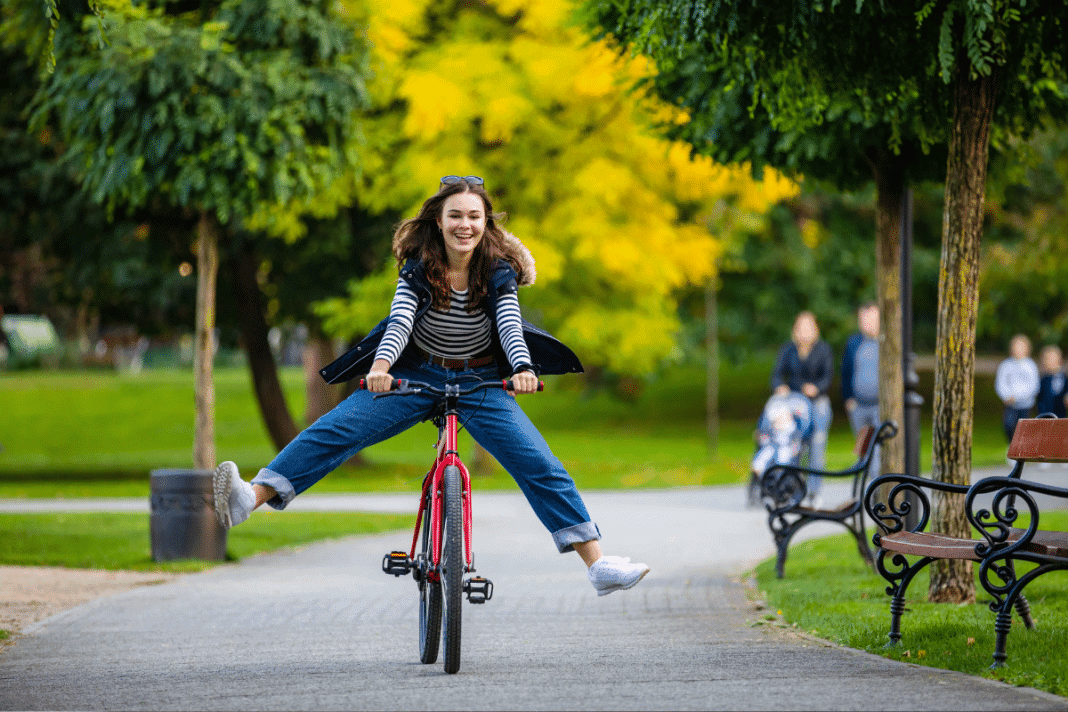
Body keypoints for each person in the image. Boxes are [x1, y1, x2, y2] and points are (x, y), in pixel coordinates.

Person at [212, 176, 649, 596]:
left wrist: (522, 367)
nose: (465, 225)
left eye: (475, 216)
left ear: (487, 223)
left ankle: (598, 567)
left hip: (481, 380)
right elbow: (401, 321)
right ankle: (250, 498)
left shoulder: (498, 270)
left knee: (539, 463)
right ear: (438, 222)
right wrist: (382, 367)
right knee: (337, 430)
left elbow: (509, 323)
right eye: (455, 215)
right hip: (416, 374)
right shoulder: (420, 269)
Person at [771, 311, 833, 504]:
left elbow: (828, 378)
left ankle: (815, 491)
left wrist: (815, 388)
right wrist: (780, 387)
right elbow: (777, 375)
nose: (804, 332)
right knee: (794, 446)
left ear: (815, 330)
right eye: (800, 327)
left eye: (808, 327)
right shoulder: (788, 350)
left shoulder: (823, 350)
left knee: (816, 446)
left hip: (817, 404)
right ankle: (794, 490)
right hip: (796, 404)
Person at [841, 301, 881, 474]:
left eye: (871, 320)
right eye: (863, 320)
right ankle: (868, 493)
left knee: (878, 450)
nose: (866, 324)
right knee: (863, 451)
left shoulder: (888, 342)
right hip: (859, 406)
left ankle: (877, 490)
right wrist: (848, 398)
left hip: (880, 406)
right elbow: (846, 371)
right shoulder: (854, 343)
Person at [751, 392, 813, 478]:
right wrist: (762, 437)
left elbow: (797, 440)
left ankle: (781, 475)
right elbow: (765, 437)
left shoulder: (793, 430)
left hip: (786, 448)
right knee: (764, 455)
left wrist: (796, 447)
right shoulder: (772, 430)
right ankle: (760, 473)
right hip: (772, 446)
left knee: (783, 457)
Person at [995, 334, 1040, 446]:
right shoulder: (1006, 365)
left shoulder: (1030, 366)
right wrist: (1006, 396)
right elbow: (1000, 384)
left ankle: (1021, 451)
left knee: (1024, 430)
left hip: (1026, 405)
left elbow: (1033, 386)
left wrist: (1018, 397)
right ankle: (1012, 446)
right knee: (1008, 425)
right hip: (1010, 404)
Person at [1036, 344, 1067, 418]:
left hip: (1061, 416)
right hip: (1044, 416)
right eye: (1048, 359)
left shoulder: (1065, 379)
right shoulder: (1042, 380)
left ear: (1059, 360)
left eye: (1053, 359)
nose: (1050, 362)